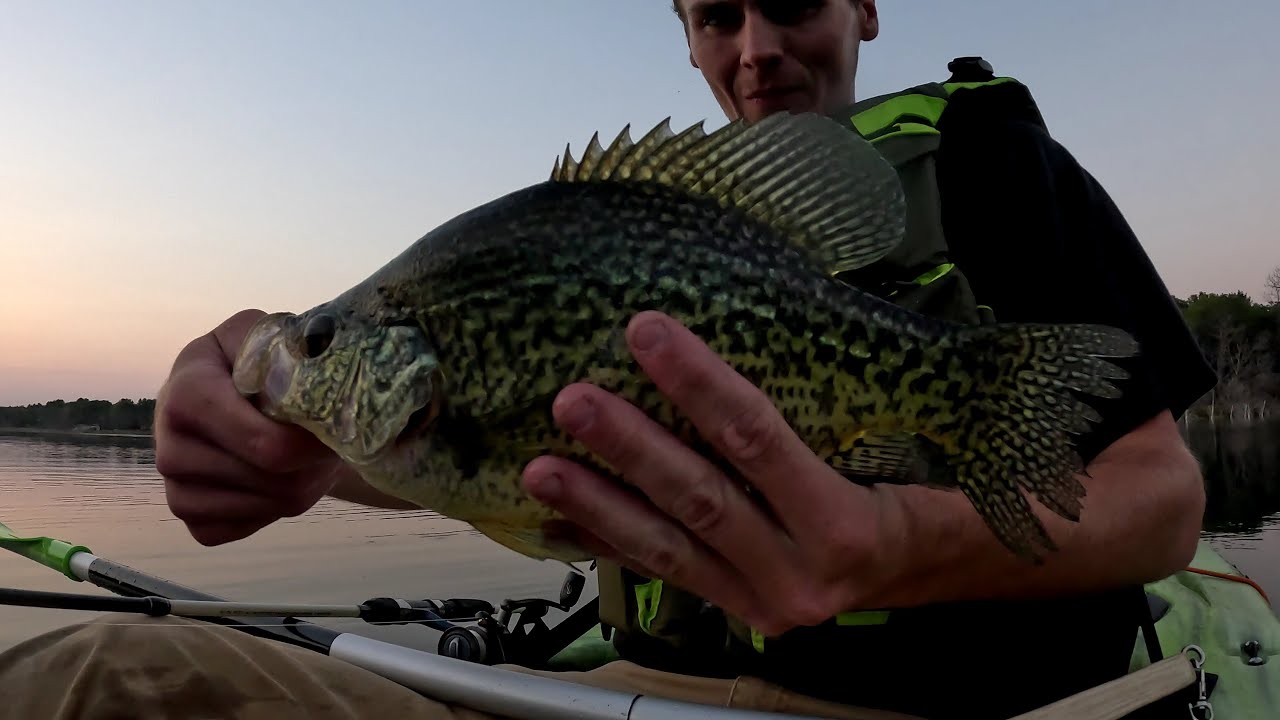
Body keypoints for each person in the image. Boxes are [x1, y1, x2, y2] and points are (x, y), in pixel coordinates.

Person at [0, 1, 1217, 719]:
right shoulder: (560, 242)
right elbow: (487, 457)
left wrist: (899, 543)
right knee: (100, 676)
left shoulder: (999, 174)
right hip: (633, 694)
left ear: (864, 3)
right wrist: (290, 453)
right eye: (712, 14)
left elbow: (1162, 502)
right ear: (684, 37)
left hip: (929, 709)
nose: (755, 49)